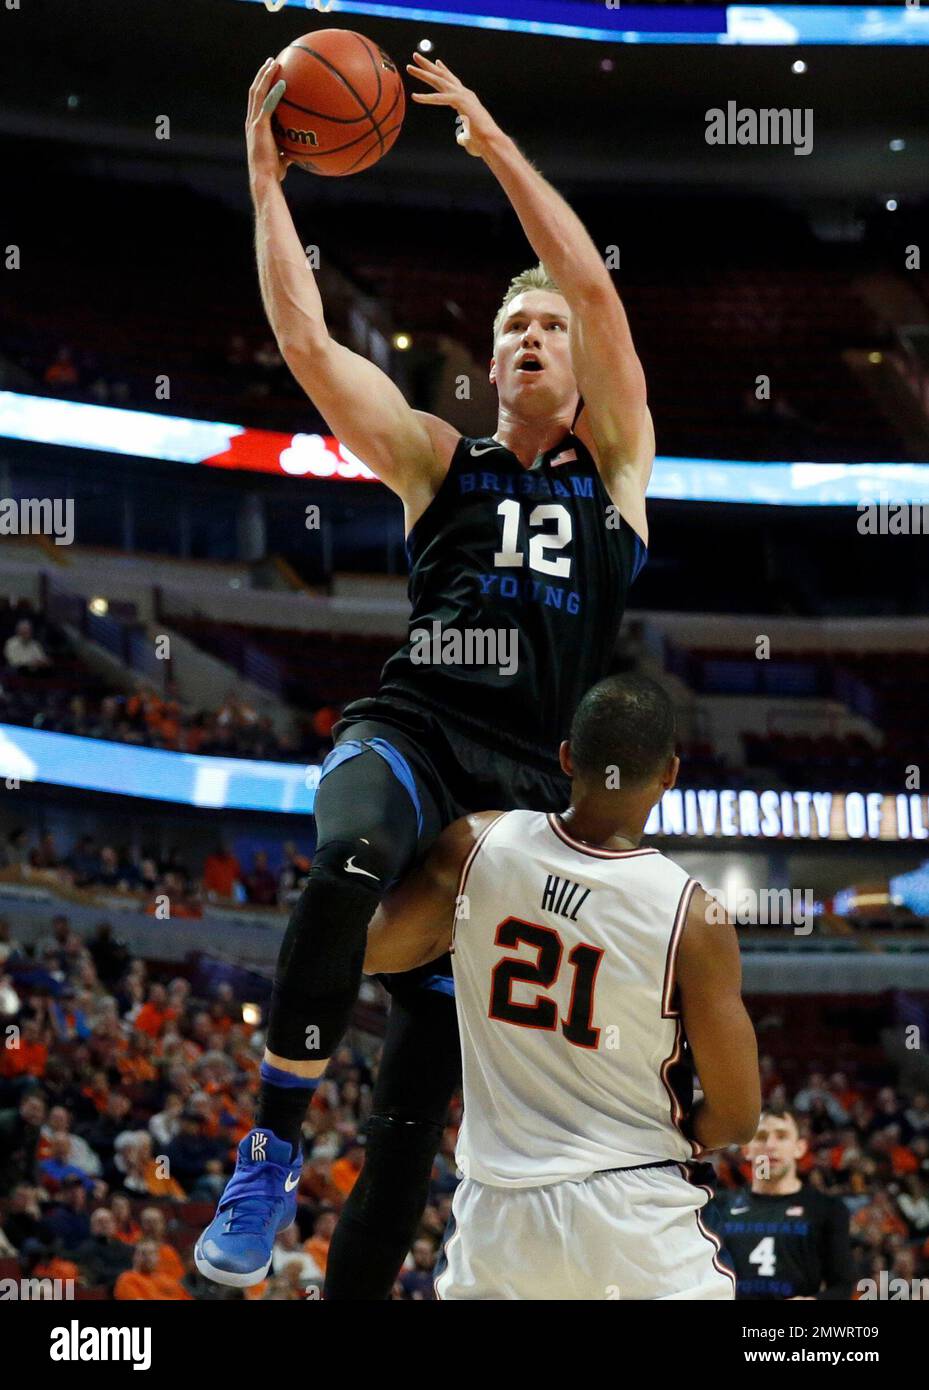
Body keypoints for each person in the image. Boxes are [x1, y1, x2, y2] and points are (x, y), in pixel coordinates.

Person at [196, 52, 653, 1296]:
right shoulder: (435, 461)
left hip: (513, 795)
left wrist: (495, 143)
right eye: (511, 325)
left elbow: (600, 302)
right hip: (408, 731)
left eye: (545, 324)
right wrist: (263, 178)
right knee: (343, 864)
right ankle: (268, 1149)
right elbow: (301, 340)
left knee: (409, 1123)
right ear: (490, 359)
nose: (529, 336)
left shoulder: (614, 474)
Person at [363, 673, 760, 1298]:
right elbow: (737, 1115)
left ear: (568, 756)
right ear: (670, 775)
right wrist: (681, 1136)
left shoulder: (476, 844)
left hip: (500, 1222)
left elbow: (364, 952)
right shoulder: (693, 916)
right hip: (635, 1216)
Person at [706, 1107, 853, 1299]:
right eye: (761, 1137)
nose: (770, 1146)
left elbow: (843, 1287)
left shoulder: (827, 1209)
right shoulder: (719, 1206)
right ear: (747, 1150)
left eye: (781, 1136)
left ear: (800, 1148)